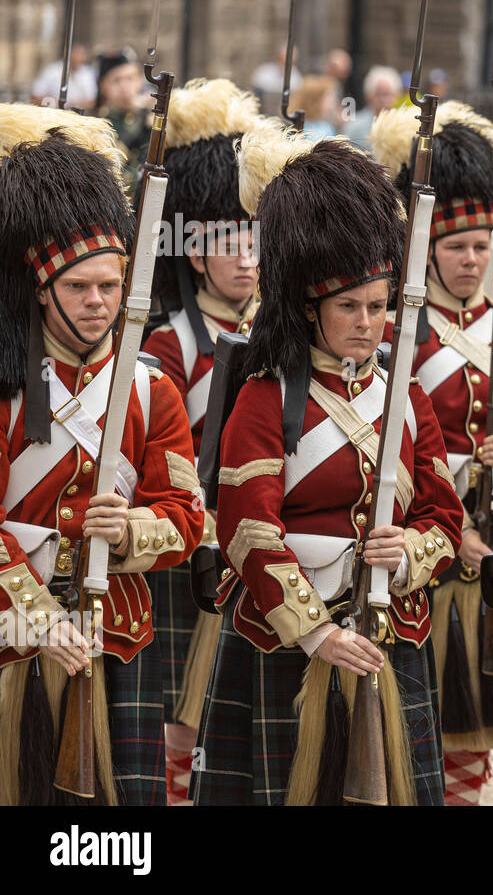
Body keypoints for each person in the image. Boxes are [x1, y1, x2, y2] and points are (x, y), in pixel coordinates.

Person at [189, 121, 465, 805]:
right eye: (349, 306)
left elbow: (444, 517)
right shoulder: (264, 396)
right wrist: (315, 632)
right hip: (285, 642)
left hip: (387, 628)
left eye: (377, 306)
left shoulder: (405, 394)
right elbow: (248, 529)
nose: (368, 322)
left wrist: (406, 554)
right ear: (311, 309)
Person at [0, 103, 206, 804]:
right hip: (12, 635)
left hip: (118, 634)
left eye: (111, 288)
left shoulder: (151, 391)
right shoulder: (7, 392)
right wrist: (39, 619)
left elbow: (185, 519)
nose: (98, 303)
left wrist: (132, 532)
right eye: (79, 288)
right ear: (41, 289)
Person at [370, 100, 493, 804]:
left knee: (474, 736)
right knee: (414, 728)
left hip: (492, 548)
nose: (473, 259)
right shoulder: (399, 331)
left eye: (483, 244)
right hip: (423, 545)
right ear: (428, 247)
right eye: (459, 246)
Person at [140, 77, 262, 804]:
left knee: (237, 735)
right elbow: (171, 452)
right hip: (194, 553)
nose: (247, 257)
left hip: (255, 550)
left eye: (255, 238)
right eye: (229, 242)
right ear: (194, 252)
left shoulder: (274, 331)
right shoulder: (171, 340)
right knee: (178, 732)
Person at [95, 50, 152, 194]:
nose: (124, 86)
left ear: (139, 80)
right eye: (116, 80)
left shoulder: (151, 118)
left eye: (130, 78)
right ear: (103, 86)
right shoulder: (97, 124)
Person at [343, 65, 400, 147]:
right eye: (379, 94)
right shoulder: (354, 127)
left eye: (387, 94)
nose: (383, 99)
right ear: (369, 96)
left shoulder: (400, 127)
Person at [30, 43, 97, 110]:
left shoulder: (87, 74)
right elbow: (35, 95)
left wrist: (72, 105)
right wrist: (53, 103)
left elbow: (91, 101)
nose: (79, 57)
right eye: (76, 53)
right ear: (68, 53)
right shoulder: (52, 71)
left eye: (82, 54)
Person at [250, 46, 302, 116]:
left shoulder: (296, 75)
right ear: (278, 57)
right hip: (263, 112)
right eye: (284, 58)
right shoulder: (264, 71)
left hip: (286, 115)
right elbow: (257, 86)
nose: (286, 62)